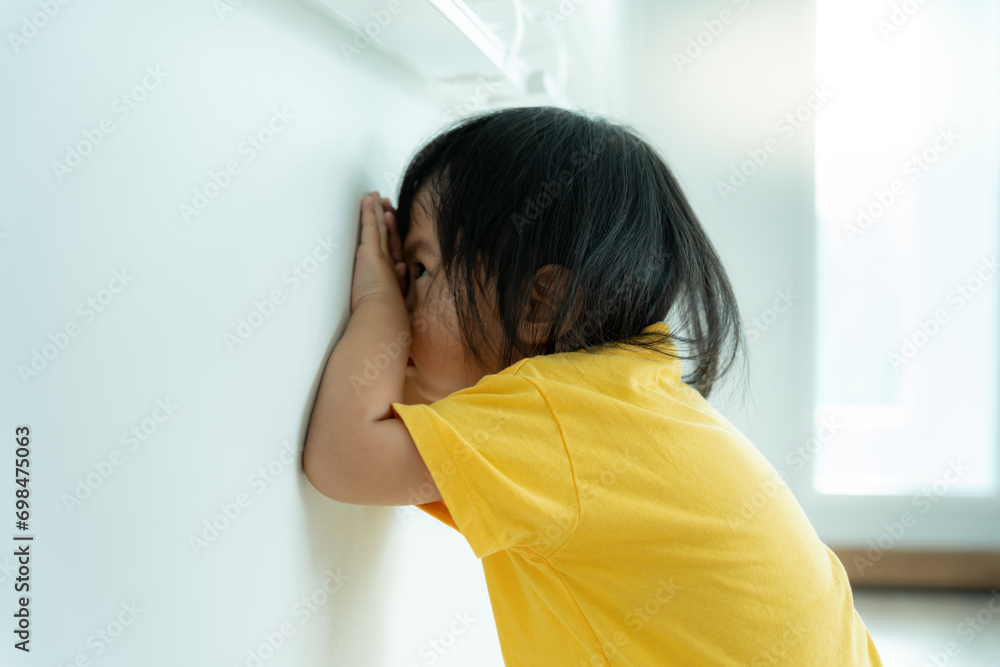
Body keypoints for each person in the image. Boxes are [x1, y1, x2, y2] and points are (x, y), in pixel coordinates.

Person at [302, 106, 884, 666]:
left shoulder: (553, 414)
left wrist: (375, 304)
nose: (405, 295)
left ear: (539, 302)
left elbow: (342, 456)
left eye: (421, 269)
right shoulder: (619, 397)